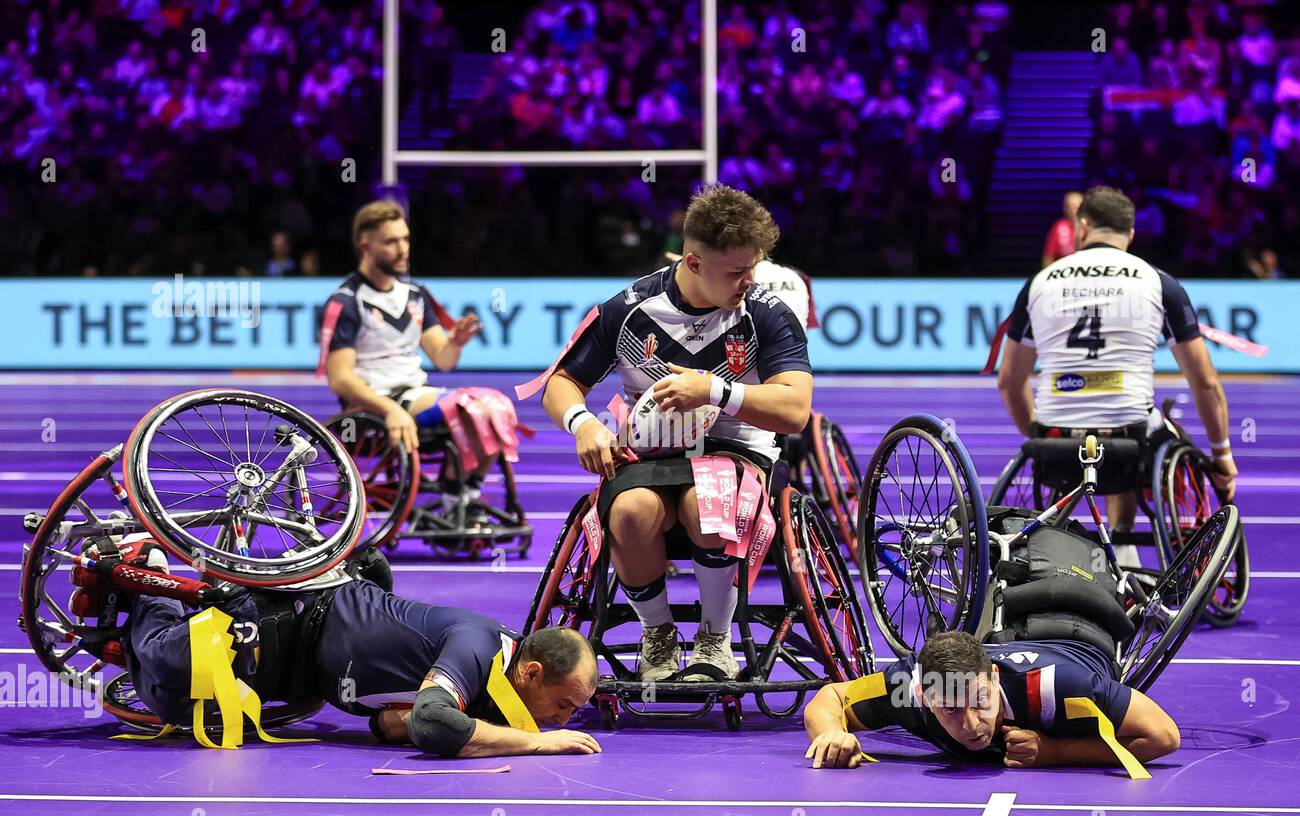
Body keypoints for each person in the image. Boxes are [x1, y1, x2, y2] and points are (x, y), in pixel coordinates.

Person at [533, 185, 813, 682]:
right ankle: (658, 634)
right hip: (649, 454)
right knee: (631, 511)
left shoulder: (767, 313)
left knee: (705, 502)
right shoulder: (629, 308)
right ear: (694, 262)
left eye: (755, 266)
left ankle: (714, 638)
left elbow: (794, 411)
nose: (750, 279)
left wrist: (713, 391)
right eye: (737, 271)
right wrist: (584, 424)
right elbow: (560, 382)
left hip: (737, 451)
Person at [91, 536, 600, 759]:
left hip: (303, 675)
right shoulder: (479, 647)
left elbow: (389, 724)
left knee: (170, 703)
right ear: (530, 672)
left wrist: (459, 730)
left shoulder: (501, 699)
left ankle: (133, 622)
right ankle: (149, 566)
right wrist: (535, 744)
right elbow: (433, 724)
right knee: (164, 659)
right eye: (563, 706)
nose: (562, 722)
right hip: (298, 618)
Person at [997, 186, 1236, 562]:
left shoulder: (1039, 283)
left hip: (1054, 440)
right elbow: (1205, 382)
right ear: (1131, 234)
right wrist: (1222, 455)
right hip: (1127, 442)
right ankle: (1123, 547)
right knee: (1146, 422)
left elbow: (1009, 382)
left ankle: (1057, 547)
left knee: (1109, 424)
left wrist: (1039, 436)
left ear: (1083, 227)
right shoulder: (1157, 282)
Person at [318, 200, 504, 502]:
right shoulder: (347, 301)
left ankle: (460, 495)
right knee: (473, 409)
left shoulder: (415, 295)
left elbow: (443, 360)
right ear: (365, 246)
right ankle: (456, 497)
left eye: (405, 239)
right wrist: (389, 409)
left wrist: (455, 342)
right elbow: (339, 379)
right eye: (391, 242)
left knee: (496, 407)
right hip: (375, 406)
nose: (403, 248)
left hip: (415, 396)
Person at [803, 630, 1180, 770]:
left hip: (1083, 640)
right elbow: (831, 695)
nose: (971, 724)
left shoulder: (1056, 685)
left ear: (993, 678)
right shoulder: (904, 684)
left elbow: (1163, 736)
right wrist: (831, 734)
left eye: (980, 701)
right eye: (950, 709)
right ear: (924, 697)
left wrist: (1056, 753)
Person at [1041, 190, 1083, 268]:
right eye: (1071, 207)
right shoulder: (1058, 227)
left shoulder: (1091, 227)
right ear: (1065, 208)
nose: (1075, 211)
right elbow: (1048, 256)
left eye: (1078, 207)